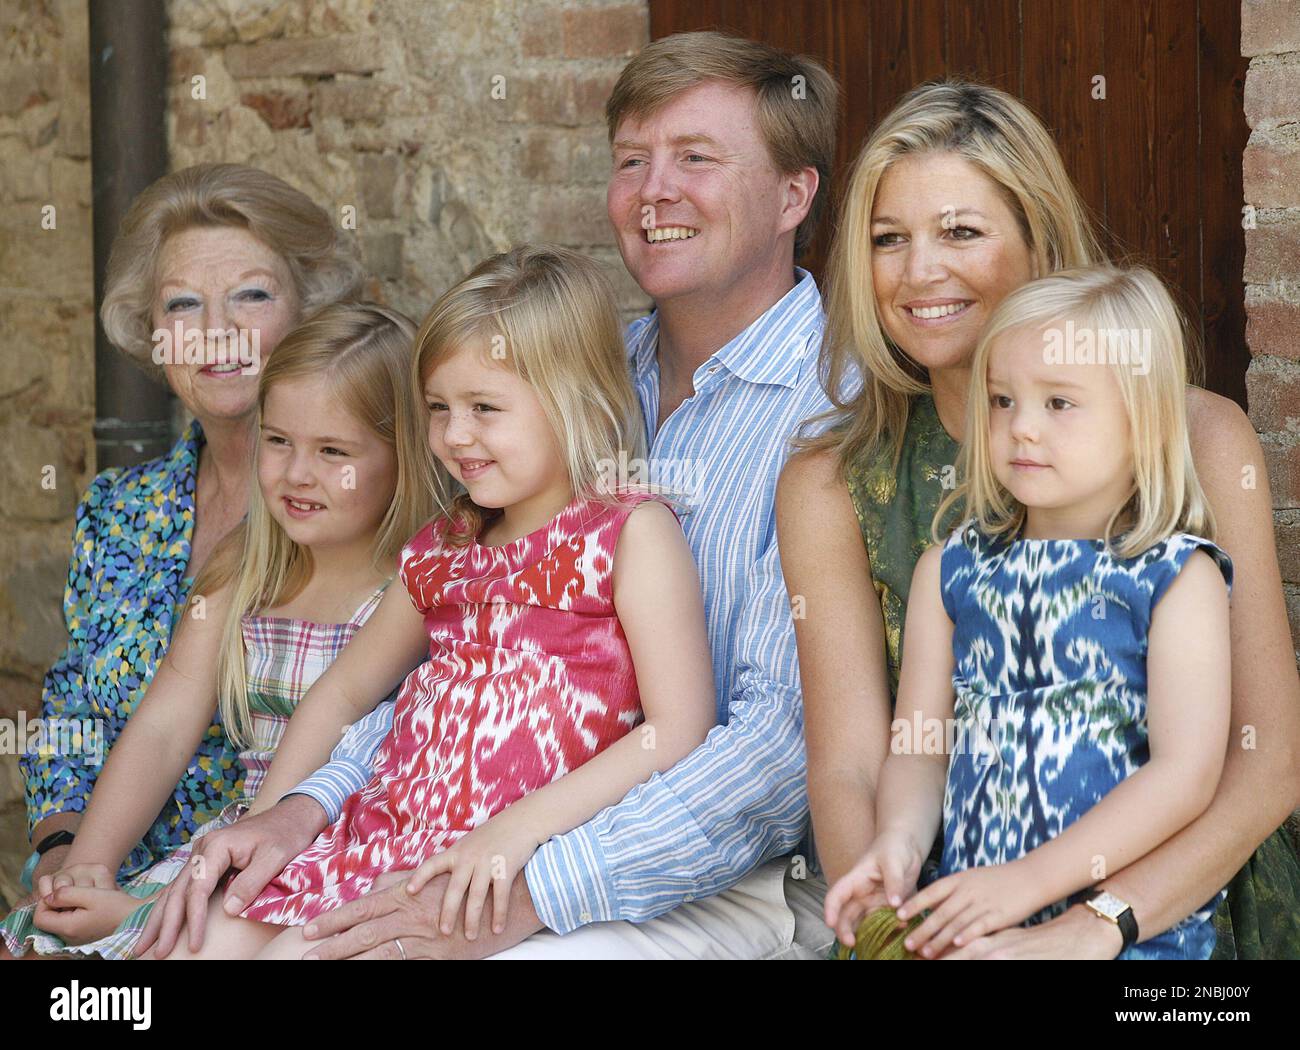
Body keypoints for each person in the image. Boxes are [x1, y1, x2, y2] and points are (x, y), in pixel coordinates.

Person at [140, 31, 845, 961]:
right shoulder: (576, 372)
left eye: (696, 159)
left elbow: (772, 755)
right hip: (477, 834)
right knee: (197, 937)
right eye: (632, 160)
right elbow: (460, 674)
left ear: (795, 194)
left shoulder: (838, 409)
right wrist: (303, 808)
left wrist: (526, 886)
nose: (654, 189)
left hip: (707, 870)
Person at [781, 78, 1300, 960]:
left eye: (961, 231)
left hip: (1173, 910)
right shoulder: (831, 480)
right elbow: (854, 767)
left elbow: (1263, 767)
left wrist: (1089, 927)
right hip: (954, 917)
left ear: (1038, 237)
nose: (918, 272)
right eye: (887, 239)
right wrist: (888, 921)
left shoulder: (1195, 436)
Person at [140, 245, 716, 960]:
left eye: (484, 408)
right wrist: (270, 821)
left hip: (480, 864)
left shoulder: (628, 533)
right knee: (194, 943)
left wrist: (518, 832)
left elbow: (679, 726)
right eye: (439, 408)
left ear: (574, 397)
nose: (454, 436)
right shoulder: (447, 544)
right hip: (382, 832)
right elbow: (343, 690)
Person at [825, 265, 1234, 960]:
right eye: (1003, 401)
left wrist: (1027, 882)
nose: (1022, 429)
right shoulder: (951, 572)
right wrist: (896, 842)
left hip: (1128, 937)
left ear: (1144, 424)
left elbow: (1185, 776)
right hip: (977, 924)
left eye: (1059, 404)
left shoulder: (1172, 576)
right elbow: (921, 748)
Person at [0, 302, 429, 958]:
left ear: (404, 454)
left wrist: (150, 905)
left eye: (333, 451)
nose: (296, 473)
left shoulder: (417, 592)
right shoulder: (249, 570)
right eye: (278, 440)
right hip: (238, 842)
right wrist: (91, 861)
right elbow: (164, 727)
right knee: (34, 945)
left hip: (337, 860)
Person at [6, 163, 361, 937]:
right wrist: (67, 852)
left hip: (272, 897)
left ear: (313, 310)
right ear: (153, 333)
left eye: (252, 295)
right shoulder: (118, 512)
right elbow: (70, 709)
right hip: (112, 872)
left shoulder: (353, 509)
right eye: (183, 305)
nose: (217, 329)